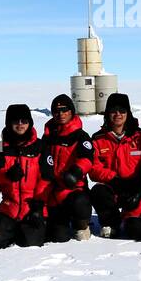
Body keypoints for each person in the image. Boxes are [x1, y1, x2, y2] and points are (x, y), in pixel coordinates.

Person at [87, 93, 141, 239]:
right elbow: (93, 169)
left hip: (136, 190)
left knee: (139, 232)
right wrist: (115, 180)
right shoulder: (98, 139)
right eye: (113, 110)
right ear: (107, 114)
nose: (118, 114)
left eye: (122, 110)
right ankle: (111, 223)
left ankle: (132, 217)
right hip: (113, 188)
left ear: (128, 113)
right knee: (98, 191)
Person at [0, 104, 49, 248]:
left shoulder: (40, 147)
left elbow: (46, 179)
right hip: (9, 207)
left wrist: (38, 206)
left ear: (30, 123)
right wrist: (6, 177)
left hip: (32, 207)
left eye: (24, 121)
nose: (20, 124)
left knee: (31, 243)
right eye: (15, 121)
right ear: (8, 123)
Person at [40, 94, 95, 243]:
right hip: (54, 191)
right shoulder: (48, 135)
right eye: (57, 111)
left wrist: (76, 172)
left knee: (80, 202)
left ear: (71, 112)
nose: (61, 114)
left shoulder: (80, 136)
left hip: (74, 188)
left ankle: (81, 225)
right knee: (59, 237)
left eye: (65, 110)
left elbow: (87, 158)